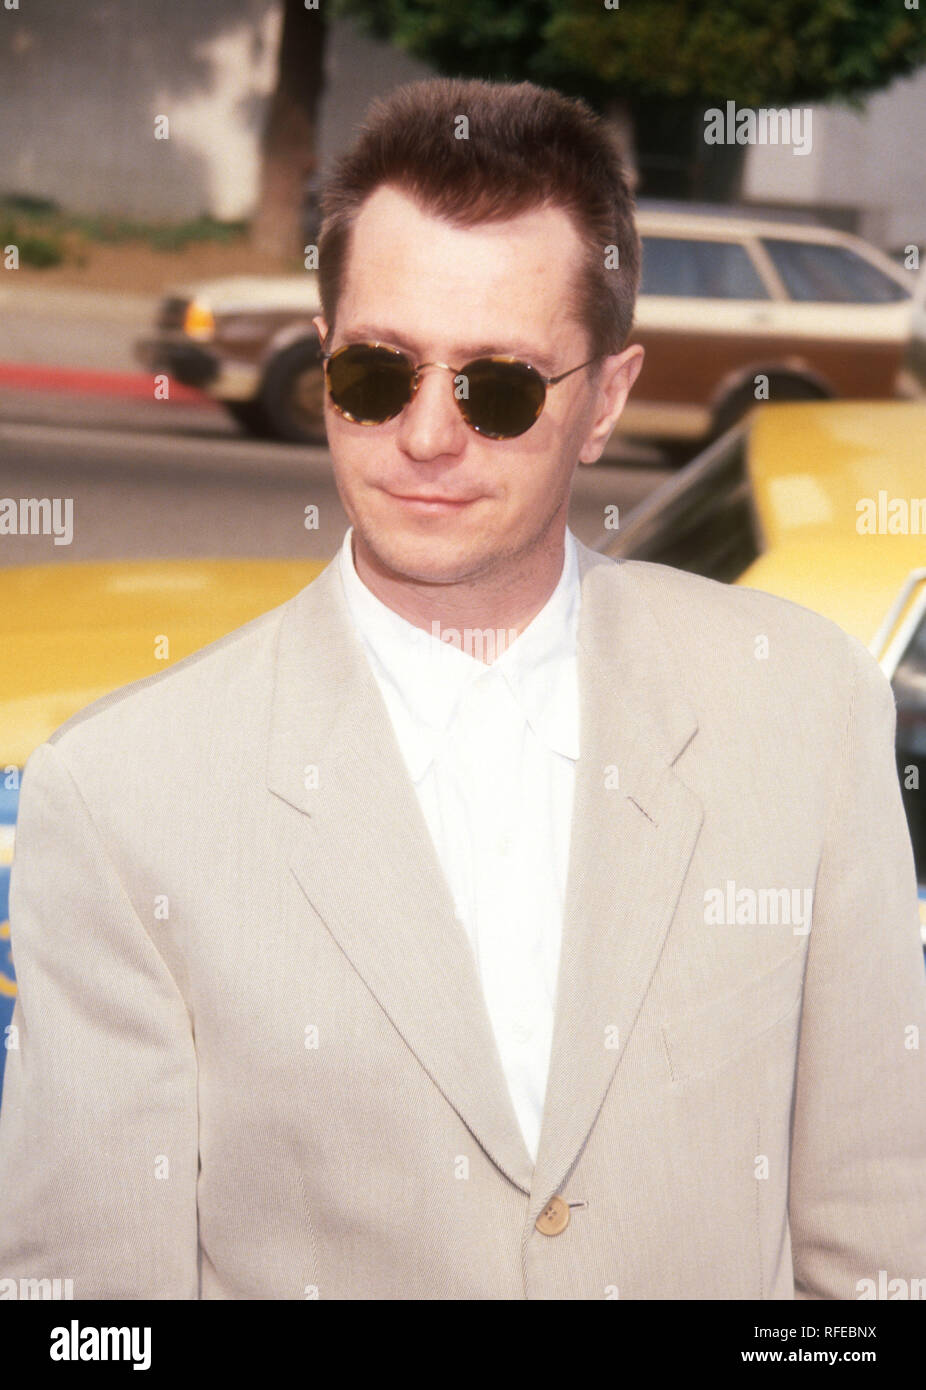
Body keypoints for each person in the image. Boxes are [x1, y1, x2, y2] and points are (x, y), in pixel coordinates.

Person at [0, 77, 923, 1301]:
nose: (426, 438)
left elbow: (875, 1252)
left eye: (495, 387)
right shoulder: (118, 796)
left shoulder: (805, 710)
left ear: (603, 398)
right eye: (377, 375)